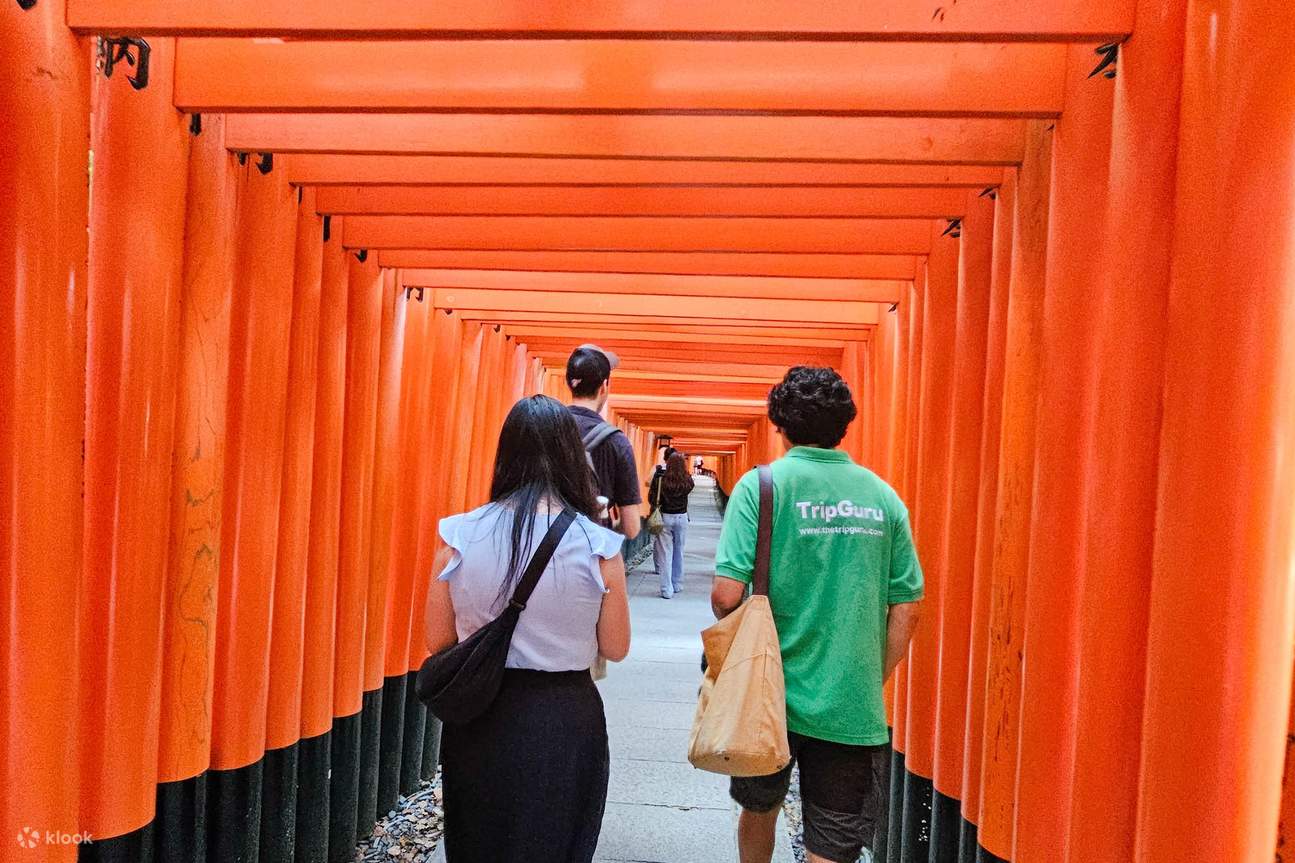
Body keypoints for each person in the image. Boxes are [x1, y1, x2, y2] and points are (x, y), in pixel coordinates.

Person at [710, 366, 923, 863]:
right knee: (832, 837)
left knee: (759, 808)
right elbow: (907, 603)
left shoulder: (762, 486)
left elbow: (724, 594)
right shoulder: (882, 497)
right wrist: (870, 675)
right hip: (850, 699)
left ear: (780, 424)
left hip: (768, 694)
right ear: (844, 424)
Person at [424, 395, 632, 863]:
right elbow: (615, 648)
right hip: (564, 715)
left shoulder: (456, 534)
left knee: (478, 839)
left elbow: (437, 641)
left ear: (506, 454)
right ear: (569, 456)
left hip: (480, 714)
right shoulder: (598, 545)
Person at [565, 344, 642, 538]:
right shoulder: (616, 441)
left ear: (569, 383)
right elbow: (632, 529)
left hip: (542, 552)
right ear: (604, 387)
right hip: (591, 554)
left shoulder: (542, 427)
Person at [647, 451, 695, 599]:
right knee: (679, 550)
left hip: (665, 517)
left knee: (665, 553)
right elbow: (690, 488)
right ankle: (677, 583)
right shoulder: (687, 479)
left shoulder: (660, 478)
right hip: (682, 517)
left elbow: (652, 497)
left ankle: (666, 589)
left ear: (667, 462)